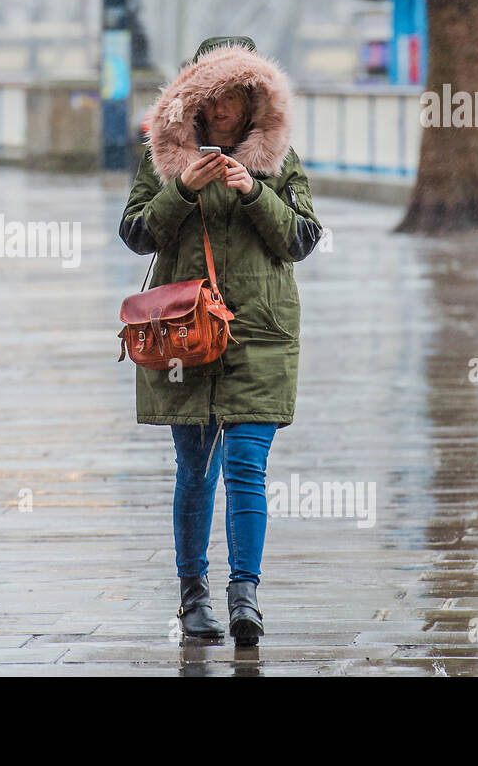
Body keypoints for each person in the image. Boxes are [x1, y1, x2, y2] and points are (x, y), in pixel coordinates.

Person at [119, 36, 323, 647]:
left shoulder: (280, 160)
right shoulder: (161, 156)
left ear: (254, 96)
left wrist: (253, 192)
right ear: (194, 101)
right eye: (209, 99)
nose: (220, 110)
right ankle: (192, 597)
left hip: (259, 334)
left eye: (233, 97)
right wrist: (181, 190)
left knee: (245, 467)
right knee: (194, 471)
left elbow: (301, 239)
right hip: (185, 337)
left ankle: (245, 596)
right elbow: (134, 233)